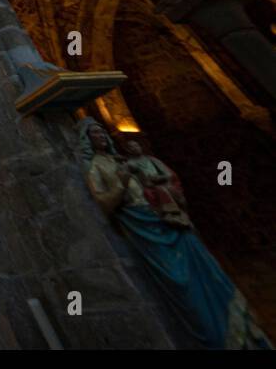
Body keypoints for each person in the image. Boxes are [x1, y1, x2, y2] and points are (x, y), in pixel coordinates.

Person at [79, 119, 270, 349]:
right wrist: (122, 181)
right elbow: (104, 203)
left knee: (205, 269)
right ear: (87, 140)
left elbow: (160, 182)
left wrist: (159, 188)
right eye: (94, 133)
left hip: (165, 218)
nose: (100, 136)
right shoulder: (96, 167)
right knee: (182, 286)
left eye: (101, 131)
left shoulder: (127, 160)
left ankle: (242, 331)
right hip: (143, 226)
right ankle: (214, 338)